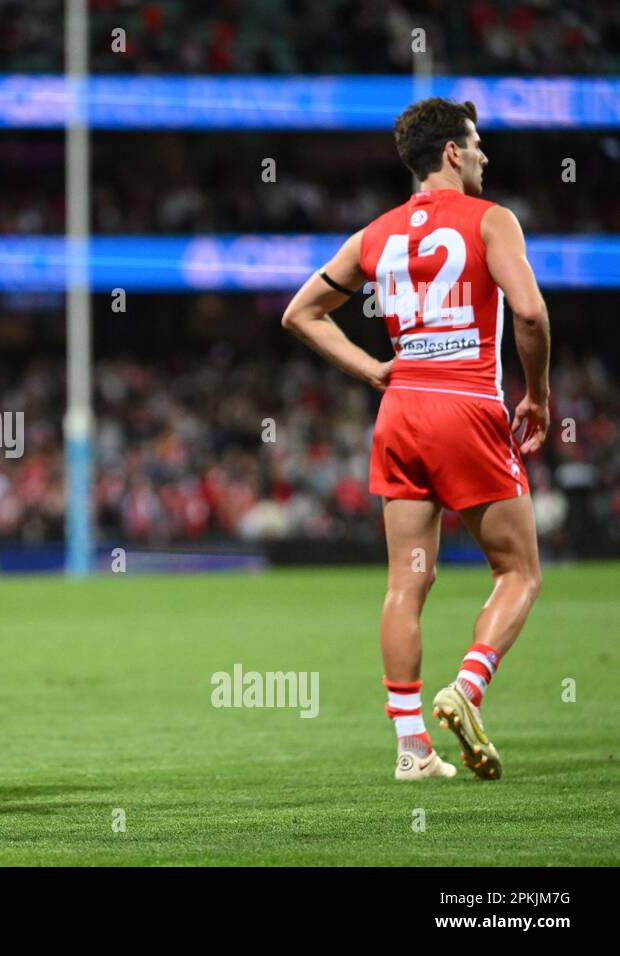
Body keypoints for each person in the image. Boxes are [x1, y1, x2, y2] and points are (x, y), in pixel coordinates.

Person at [281, 98, 549, 781]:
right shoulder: (492, 221)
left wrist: (371, 367)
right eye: (478, 143)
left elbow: (299, 314)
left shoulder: (376, 235)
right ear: (453, 153)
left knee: (406, 582)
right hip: (466, 403)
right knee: (518, 571)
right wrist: (539, 395)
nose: (485, 154)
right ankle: (468, 685)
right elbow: (529, 311)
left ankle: (410, 750)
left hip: (400, 410)